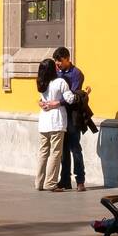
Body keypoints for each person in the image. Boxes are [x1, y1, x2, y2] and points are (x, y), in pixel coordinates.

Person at [53, 46, 93, 192]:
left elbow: (73, 96)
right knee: (63, 150)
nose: (57, 64)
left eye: (60, 61)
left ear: (67, 59)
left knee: (75, 148)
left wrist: (58, 102)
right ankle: (64, 180)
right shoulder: (56, 72)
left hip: (73, 115)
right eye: (56, 62)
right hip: (60, 115)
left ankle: (80, 180)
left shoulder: (77, 74)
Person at [35, 57, 75, 192]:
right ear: (54, 69)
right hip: (56, 121)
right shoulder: (60, 82)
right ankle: (50, 183)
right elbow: (70, 99)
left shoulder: (41, 83)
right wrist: (82, 94)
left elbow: (42, 99)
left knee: (43, 152)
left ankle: (39, 182)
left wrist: (42, 102)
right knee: (55, 153)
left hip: (44, 121)